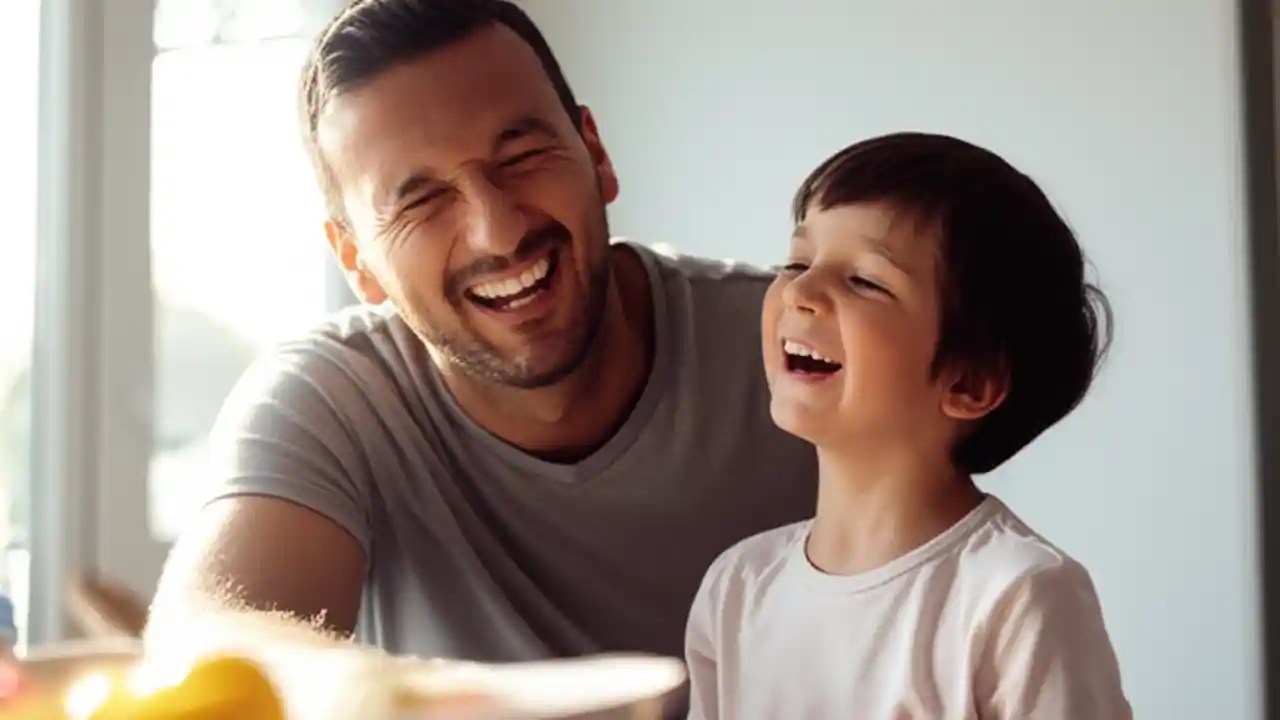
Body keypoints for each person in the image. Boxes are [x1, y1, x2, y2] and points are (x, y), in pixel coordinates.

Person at [143, 0, 816, 711]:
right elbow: (214, 651)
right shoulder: (336, 402)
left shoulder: (797, 343)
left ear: (596, 155)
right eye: (421, 201)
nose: (498, 232)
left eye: (521, 159)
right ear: (356, 260)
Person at [684, 132, 1132, 719]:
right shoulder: (738, 587)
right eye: (797, 263)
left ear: (968, 382)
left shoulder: (1016, 595)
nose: (800, 291)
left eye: (865, 281)